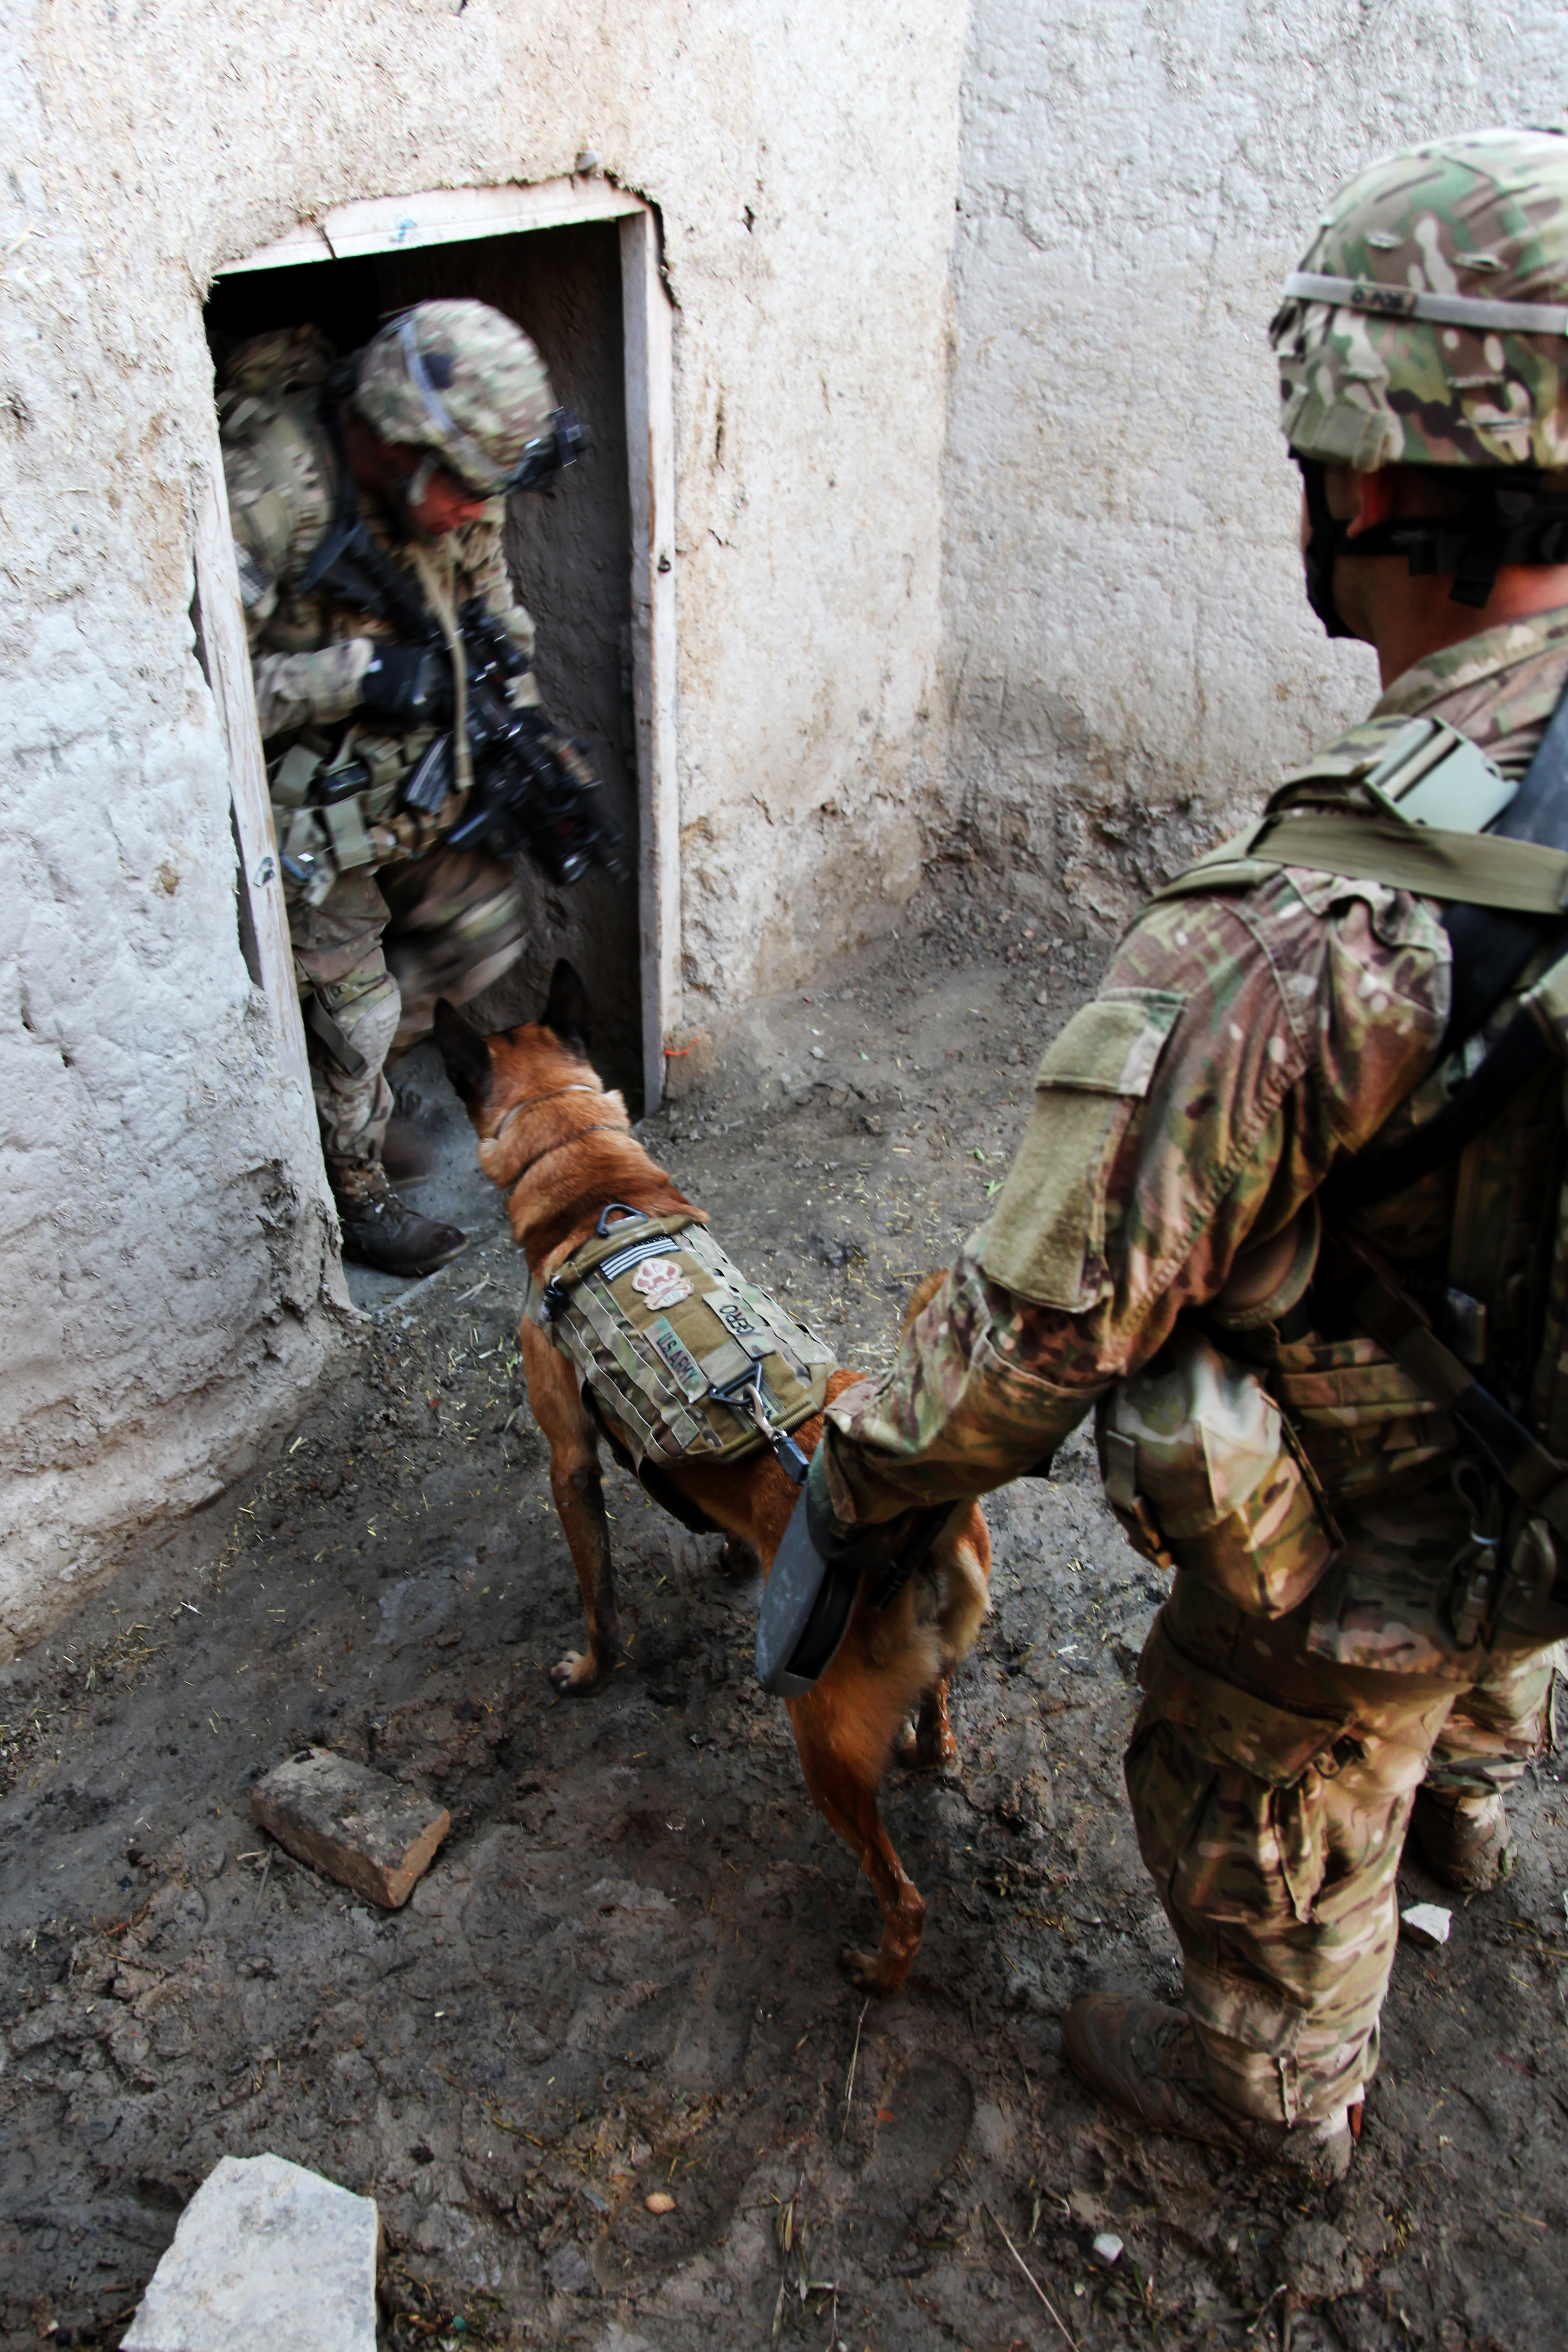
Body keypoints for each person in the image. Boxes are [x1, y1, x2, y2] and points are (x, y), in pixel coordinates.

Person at [803, 127, 1568, 2179]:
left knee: (1231, 1582)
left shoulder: (1322, 926)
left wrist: (858, 1475)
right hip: (1552, 1480)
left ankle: (1267, 2070)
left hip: (1413, 1532)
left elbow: (1039, 1329)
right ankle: (1468, 1792)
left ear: (1373, 473)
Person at [220, 299, 592, 1274]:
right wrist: (358, 677)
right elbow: (194, 692)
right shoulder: (269, 494)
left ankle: (357, 1088)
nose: (477, 509)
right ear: (395, 446)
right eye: (464, 488)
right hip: (303, 812)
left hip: (404, 786)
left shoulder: (461, 488)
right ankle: (356, 1193)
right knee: (358, 1009)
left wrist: (523, 719)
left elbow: (493, 605)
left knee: (481, 930)